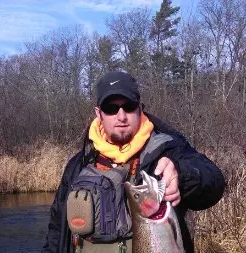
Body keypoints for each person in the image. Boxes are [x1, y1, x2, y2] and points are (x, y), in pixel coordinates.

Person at [42, 71, 225, 253]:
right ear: (99, 113)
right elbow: (57, 231)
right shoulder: (78, 164)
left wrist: (182, 175)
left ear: (140, 108)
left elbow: (214, 182)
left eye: (128, 106)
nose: (121, 116)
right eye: (111, 108)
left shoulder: (168, 150)